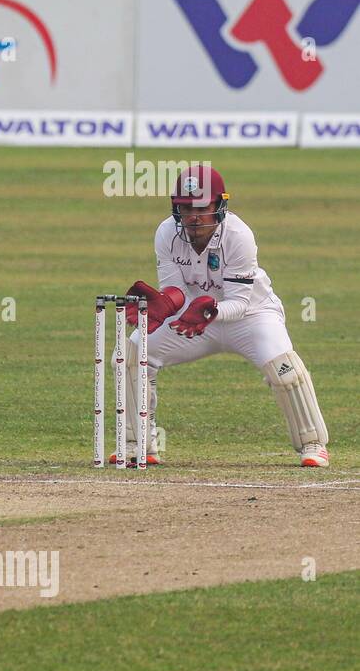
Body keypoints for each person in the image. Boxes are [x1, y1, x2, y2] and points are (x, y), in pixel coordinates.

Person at [117, 166, 329, 467]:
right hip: (192, 319)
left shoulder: (239, 234)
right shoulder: (166, 232)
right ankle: (138, 443)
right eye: (186, 207)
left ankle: (313, 445)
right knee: (132, 353)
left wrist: (210, 311)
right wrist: (165, 304)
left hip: (251, 317)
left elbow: (240, 302)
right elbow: (174, 289)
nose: (194, 216)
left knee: (285, 371)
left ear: (219, 205)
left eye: (202, 207)